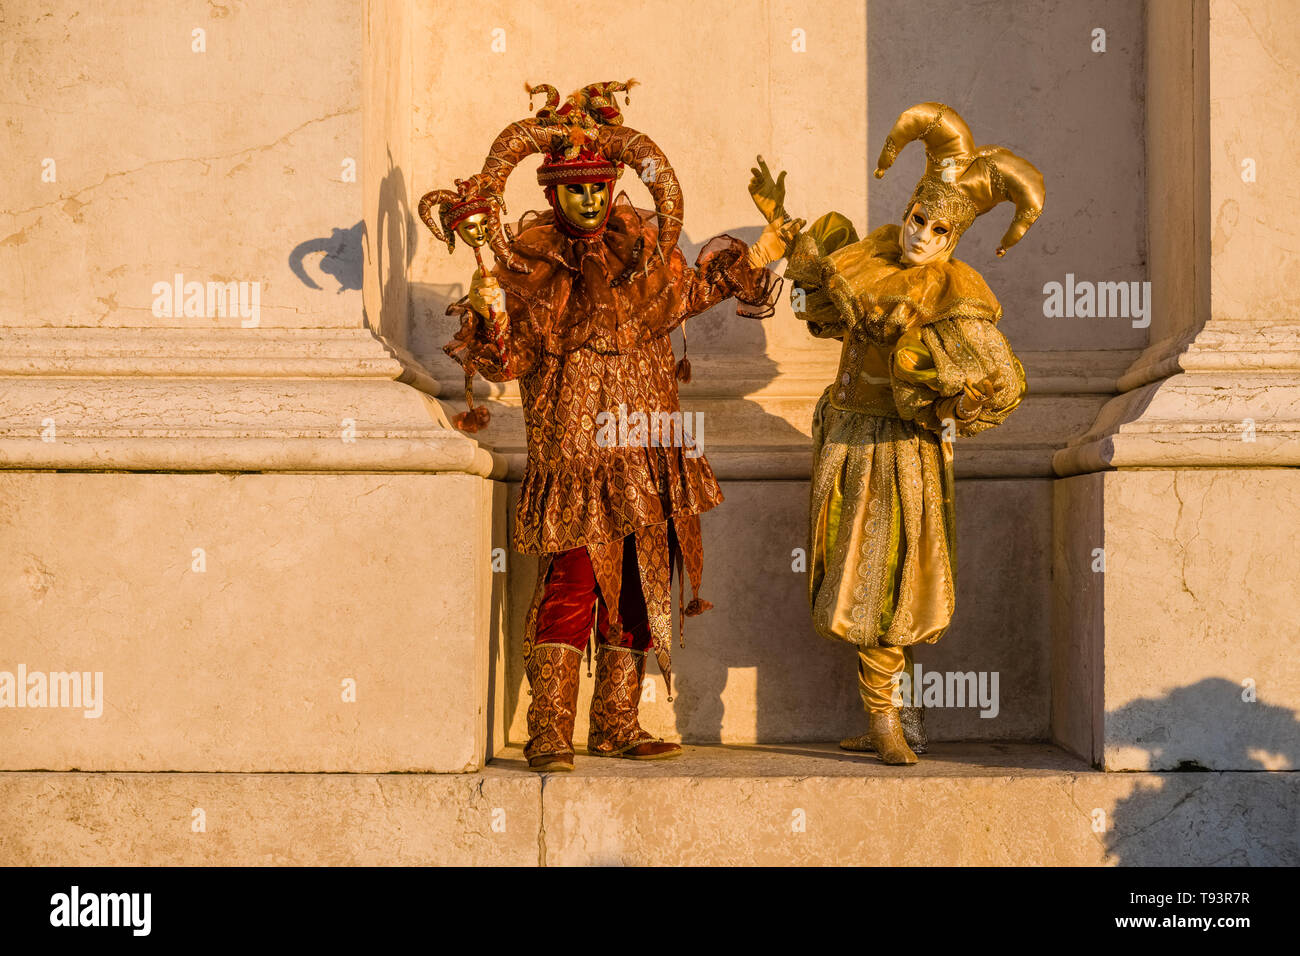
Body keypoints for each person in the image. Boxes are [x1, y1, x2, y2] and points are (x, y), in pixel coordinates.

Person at [437, 81, 792, 771]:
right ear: (551, 195)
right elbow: (506, 362)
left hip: (645, 457)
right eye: (577, 190)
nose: (593, 201)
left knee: (638, 583)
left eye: (601, 186)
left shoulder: (647, 261)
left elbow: (704, 288)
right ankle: (548, 729)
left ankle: (617, 723)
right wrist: (491, 310)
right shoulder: (528, 270)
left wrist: (771, 239)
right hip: (573, 458)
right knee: (571, 585)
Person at [748, 102, 1043, 764]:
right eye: (917, 219)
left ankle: (888, 719)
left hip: (896, 451)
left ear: (952, 238)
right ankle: (899, 719)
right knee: (860, 574)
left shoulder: (949, 292)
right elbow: (822, 302)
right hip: (846, 440)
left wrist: (947, 388)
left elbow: (1001, 382)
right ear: (906, 210)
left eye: (938, 229)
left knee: (884, 577)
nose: (921, 235)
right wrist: (781, 224)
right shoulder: (868, 259)